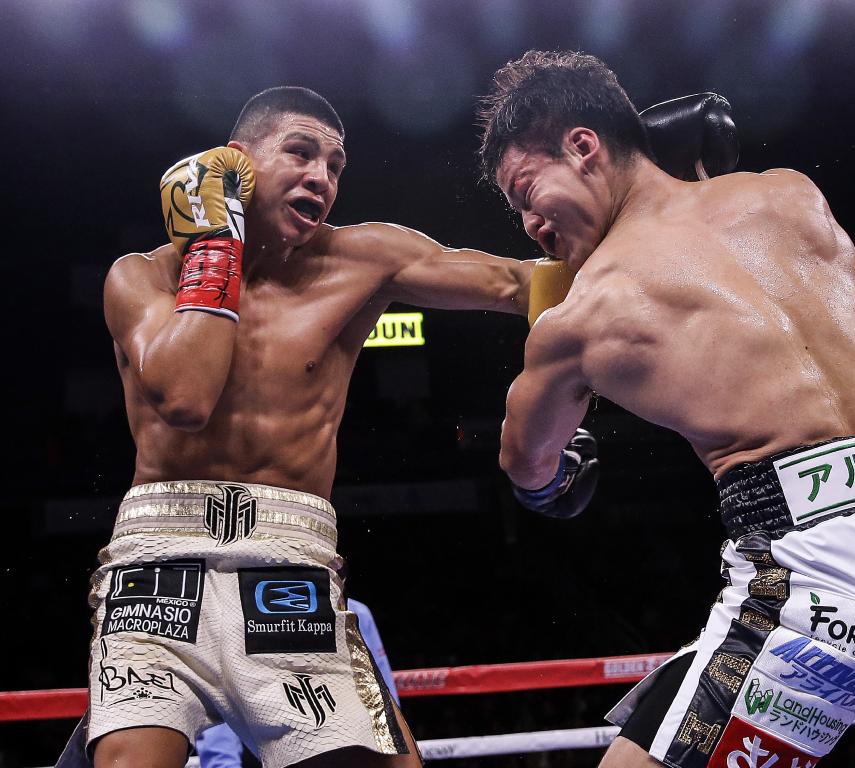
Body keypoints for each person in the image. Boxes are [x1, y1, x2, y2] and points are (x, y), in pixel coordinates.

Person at [479, 51, 855, 768]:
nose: (532, 226)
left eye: (527, 192)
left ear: (583, 146)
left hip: (821, 576)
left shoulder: (583, 317)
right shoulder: (792, 195)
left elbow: (524, 462)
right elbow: (716, 257)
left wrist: (552, 483)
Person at [57, 85, 538, 768]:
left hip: (290, 564)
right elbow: (188, 397)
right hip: (161, 560)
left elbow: (518, 285)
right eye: (301, 152)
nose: (322, 176)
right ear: (237, 163)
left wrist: (642, 231)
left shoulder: (365, 260)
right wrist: (216, 242)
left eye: (335, 166)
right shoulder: (140, 278)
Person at [196, 595, 399, 768]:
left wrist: (390, 758)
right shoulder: (240, 610)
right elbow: (221, 696)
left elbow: (382, 699)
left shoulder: (356, 613)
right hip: (265, 748)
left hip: (344, 747)